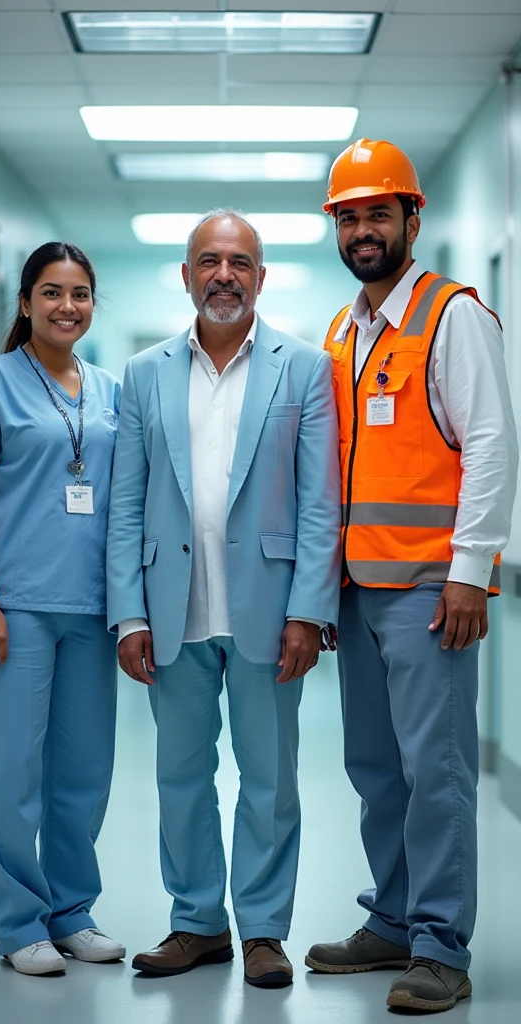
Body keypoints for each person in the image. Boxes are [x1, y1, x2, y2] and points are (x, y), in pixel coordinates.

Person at [305, 139, 519, 1013]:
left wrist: (471, 571)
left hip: (431, 593)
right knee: (375, 768)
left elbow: (491, 444)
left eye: (377, 213)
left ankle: (440, 946)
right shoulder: (344, 331)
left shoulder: (450, 315)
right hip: (358, 591)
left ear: (410, 219)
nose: (362, 230)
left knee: (435, 771)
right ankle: (391, 918)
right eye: (348, 217)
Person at [106, 209, 341, 988]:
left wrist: (310, 610)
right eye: (209, 260)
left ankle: (265, 930)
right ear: (186, 275)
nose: (224, 275)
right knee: (180, 776)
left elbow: (318, 503)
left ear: (261, 277)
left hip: (269, 613)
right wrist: (129, 614)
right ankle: (197, 923)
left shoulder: (302, 368)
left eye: (240, 262)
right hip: (170, 611)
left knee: (269, 778)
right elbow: (127, 504)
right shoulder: (145, 374)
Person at [0, 242, 125, 976]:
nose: (66, 306)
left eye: (80, 294)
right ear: (24, 303)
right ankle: (20, 924)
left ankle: (72, 912)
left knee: (84, 772)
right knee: (14, 772)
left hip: (90, 607)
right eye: (51, 292)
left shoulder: (109, 390)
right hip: (12, 606)